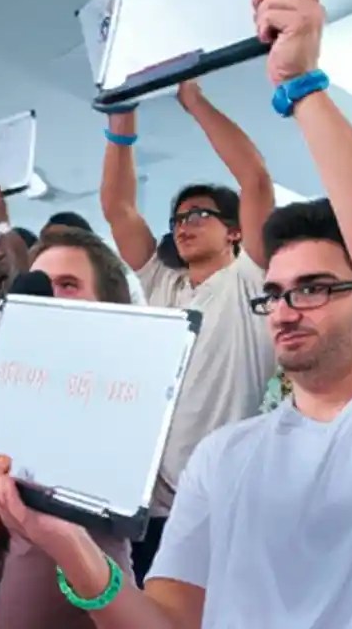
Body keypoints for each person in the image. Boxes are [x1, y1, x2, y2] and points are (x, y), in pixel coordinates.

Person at [0, 0, 352, 628]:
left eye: (313, 288)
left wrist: (302, 88)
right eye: (276, 294)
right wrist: (71, 547)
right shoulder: (224, 456)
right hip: (157, 495)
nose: (283, 308)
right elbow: (165, 623)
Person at [100, 78, 277, 582]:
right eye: (178, 218)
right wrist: (121, 120)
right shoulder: (163, 283)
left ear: (235, 230)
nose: (184, 224)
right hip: (146, 501)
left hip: (215, 501)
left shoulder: (250, 282)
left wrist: (194, 100)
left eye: (200, 215)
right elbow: (118, 209)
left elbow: (256, 180)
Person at [0, 227, 136, 629]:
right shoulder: (6, 392)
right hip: (16, 592)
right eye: (40, 286)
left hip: (98, 598)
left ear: (110, 306)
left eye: (68, 285)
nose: (50, 297)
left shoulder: (131, 391)